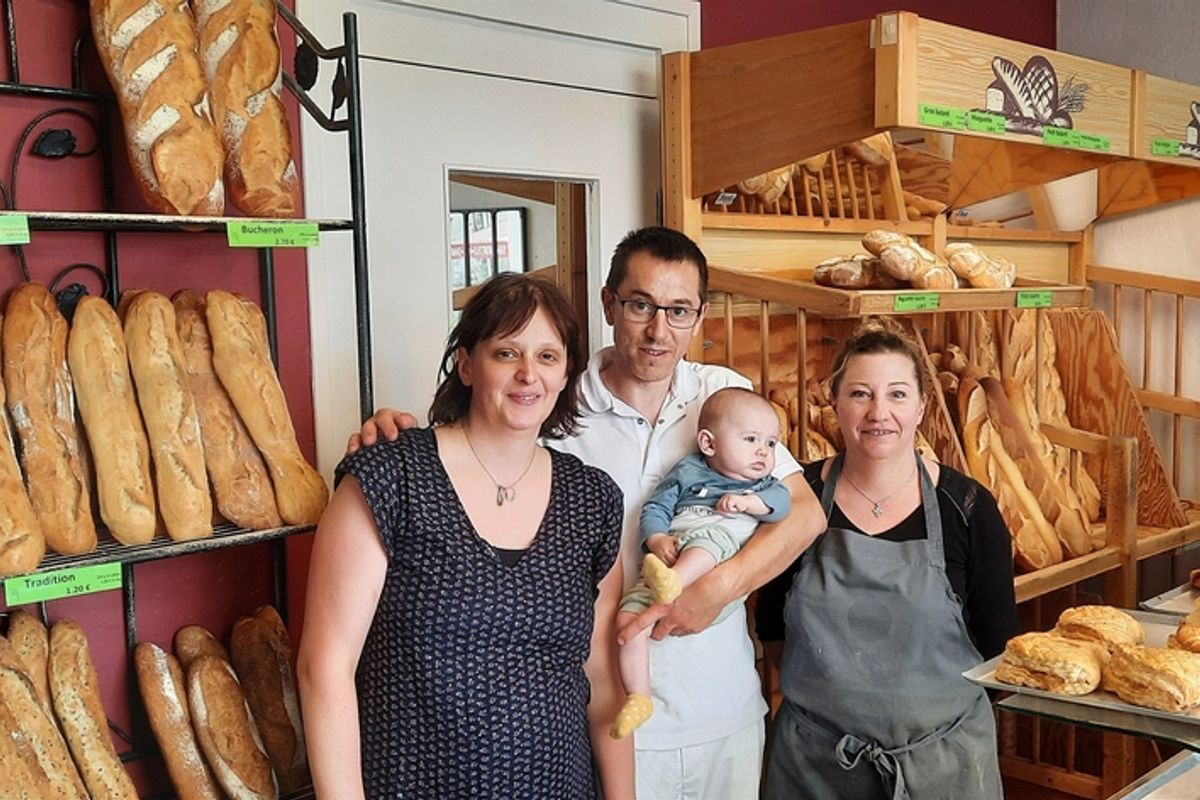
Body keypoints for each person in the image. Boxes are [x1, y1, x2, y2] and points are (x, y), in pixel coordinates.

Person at [349, 226, 824, 799]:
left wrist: (718, 588)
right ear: (609, 304)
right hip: (597, 723)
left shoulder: (723, 394)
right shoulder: (557, 399)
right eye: (640, 305)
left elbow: (803, 514)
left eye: (679, 311)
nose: (658, 330)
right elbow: (478, 449)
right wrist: (397, 439)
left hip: (723, 711)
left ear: (699, 317)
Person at [297, 273, 633, 799]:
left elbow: (603, 682)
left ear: (567, 371)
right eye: (507, 353)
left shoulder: (591, 500)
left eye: (548, 356)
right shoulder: (392, 476)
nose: (529, 375)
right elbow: (325, 666)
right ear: (467, 363)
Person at [756, 319, 1018, 800]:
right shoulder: (795, 500)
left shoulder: (968, 509)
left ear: (921, 406)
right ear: (834, 403)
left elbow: (997, 646)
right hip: (816, 770)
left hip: (944, 769)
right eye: (860, 394)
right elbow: (772, 627)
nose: (879, 412)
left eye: (897, 394)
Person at [611, 386, 792, 740]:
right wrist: (657, 539)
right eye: (752, 439)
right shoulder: (687, 470)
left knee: (708, 541)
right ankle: (639, 696)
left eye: (771, 443)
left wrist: (750, 504)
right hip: (675, 551)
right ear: (708, 444)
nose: (764, 451)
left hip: (717, 554)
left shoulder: (763, 484)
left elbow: (783, 504)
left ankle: (673, 580)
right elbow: (656, 508)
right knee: (627, 619)